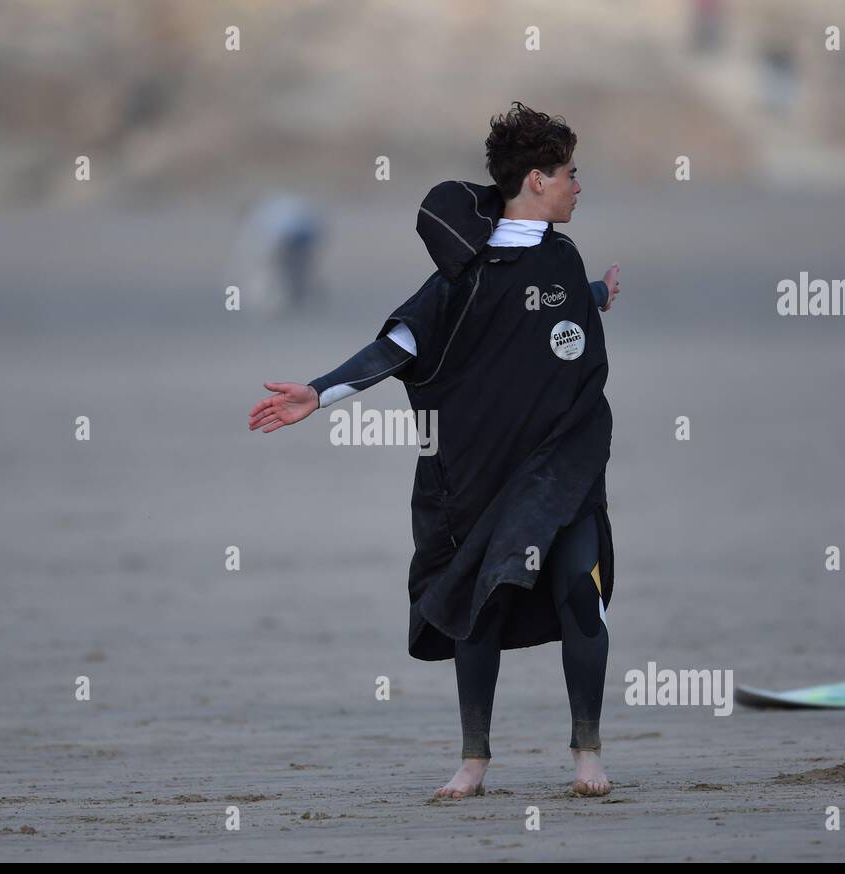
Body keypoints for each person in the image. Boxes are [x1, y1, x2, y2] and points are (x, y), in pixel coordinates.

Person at [248, 103, 621, 799]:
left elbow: (550, 307)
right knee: (475, 610)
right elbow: (399, 345)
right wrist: (320, 393)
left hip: (564, 474)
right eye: (571, 173)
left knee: (581, 597)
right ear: (537, 181)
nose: (579, 185)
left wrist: (596, 294)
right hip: (482, 480)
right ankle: (474, 760)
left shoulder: (564, 260)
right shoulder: (463, 277)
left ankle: (587, 754)